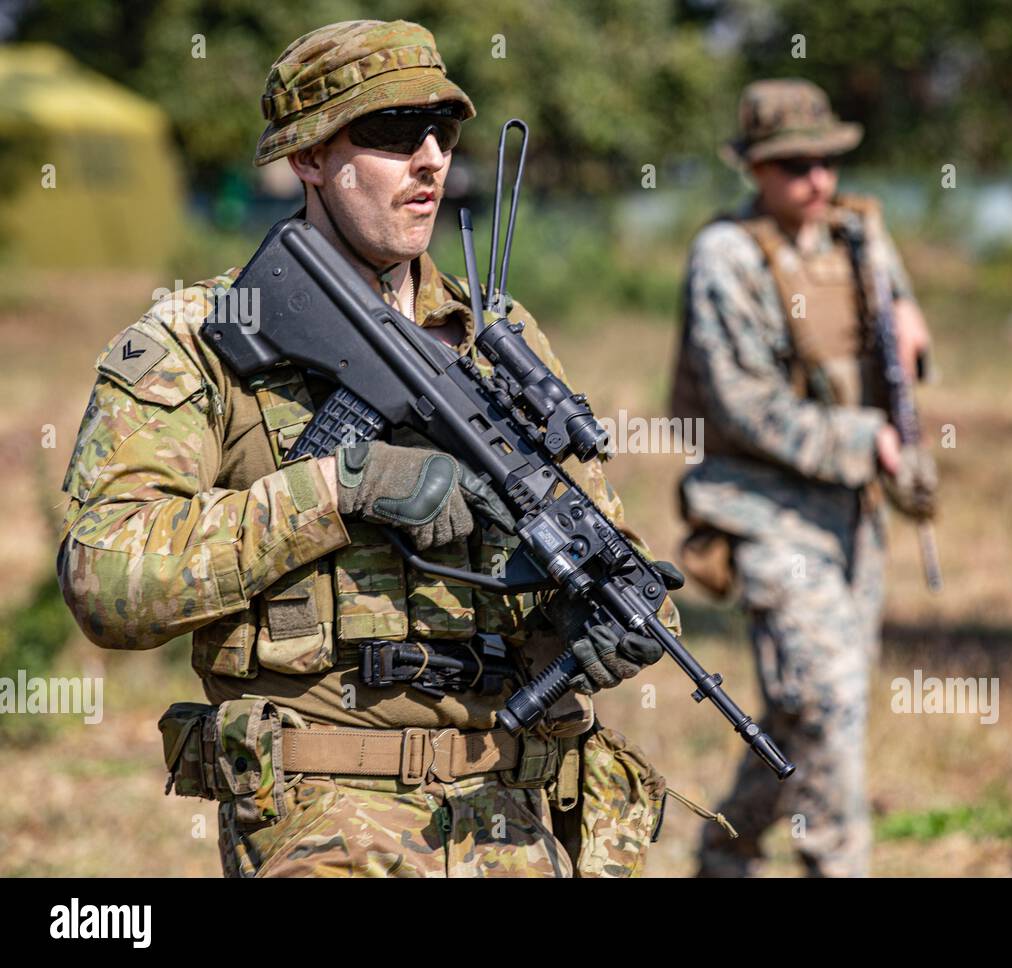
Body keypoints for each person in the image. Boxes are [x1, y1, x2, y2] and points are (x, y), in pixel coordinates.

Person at [57, 18, 679, 878]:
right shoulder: (197, 340)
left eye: (444, 131)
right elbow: (107, 579)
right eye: (390, 132)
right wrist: (341, 487)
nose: (430, 158)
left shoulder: (495, 342)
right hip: (322, 818)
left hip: (508, 812)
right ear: (306, 156)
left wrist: (590, 627)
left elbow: (591, 536)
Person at [671, 79, 938, 877]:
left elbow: (895, 343)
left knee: (806, 713)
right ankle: (836, 863)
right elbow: (745, 405)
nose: (816, 182)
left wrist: (915, 341)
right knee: (827, 706)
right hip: (764, 512)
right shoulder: (725, 256)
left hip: (851, 514)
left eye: (825, 162)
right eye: (793, 167)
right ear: (753, 169)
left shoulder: (857, 236)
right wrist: (867, 440)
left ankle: (725, 851)